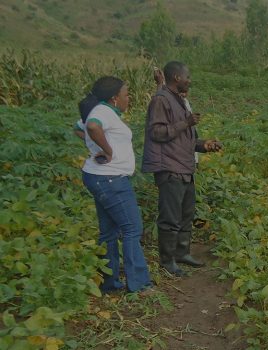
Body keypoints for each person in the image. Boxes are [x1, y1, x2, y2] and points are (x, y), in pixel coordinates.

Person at [142, 61, 223, 277]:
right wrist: (186, 123)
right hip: (170, 167)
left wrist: (203, 145)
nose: (190, 80)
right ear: (177, 77)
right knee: (170, 217)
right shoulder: (161, 100)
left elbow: (183, 138)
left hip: (185, 167)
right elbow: (157, 133)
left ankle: (182, 253)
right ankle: (167, 262)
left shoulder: (178, 100)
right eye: (187, 76)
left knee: (186, 213)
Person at [80, 76, 153, 293]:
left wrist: (95, 147)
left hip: (100, 177)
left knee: (109, 232)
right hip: (110, 179)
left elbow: (80, 128)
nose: (128, 98)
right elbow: (92, 127)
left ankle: (109, 283)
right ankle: (140, 284)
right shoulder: (101, 113)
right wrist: (108, 151)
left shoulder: (103, 111)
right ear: (114, 98)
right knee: (132, 228)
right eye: (126, 94)